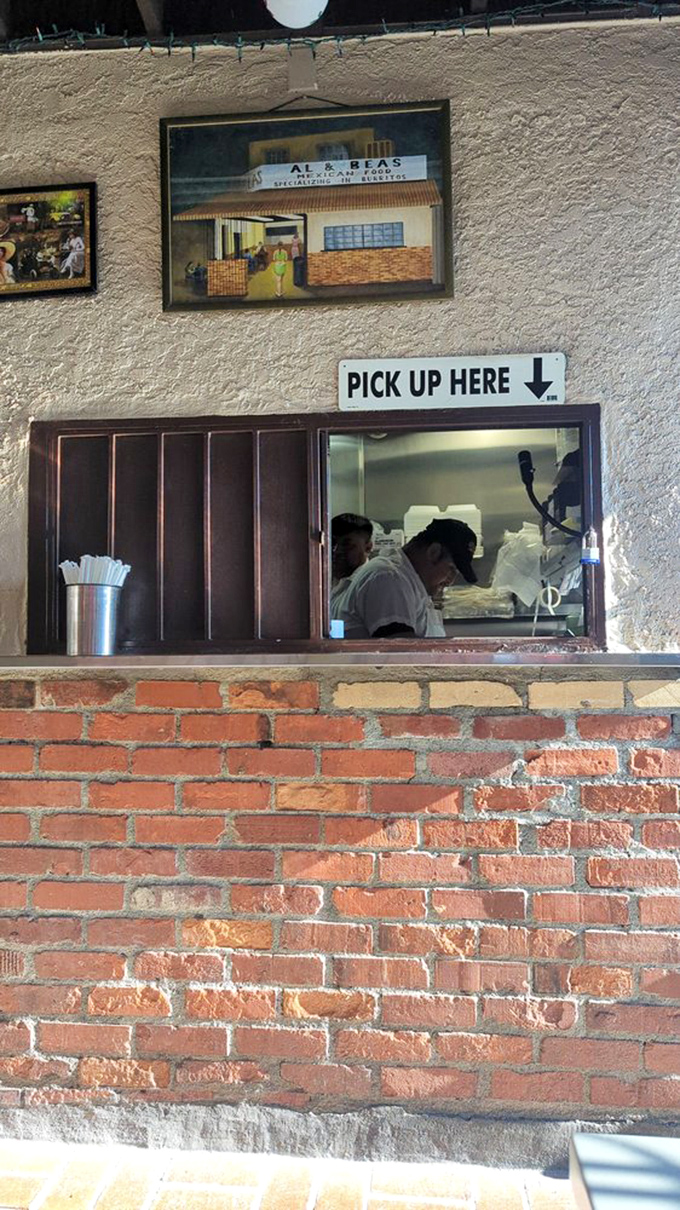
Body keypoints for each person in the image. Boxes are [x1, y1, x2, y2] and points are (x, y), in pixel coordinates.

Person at [334, 518, 477, 639]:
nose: (450, 581)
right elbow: (400, 658)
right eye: (451, 569)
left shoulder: (410, 581)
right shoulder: (389, 579)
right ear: (434, 552)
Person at [330, 514, 373, 617]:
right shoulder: (325, 582)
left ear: (368, 547)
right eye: (332, 543)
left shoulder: (370, 585)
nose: (336, 551)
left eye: (346, 545)